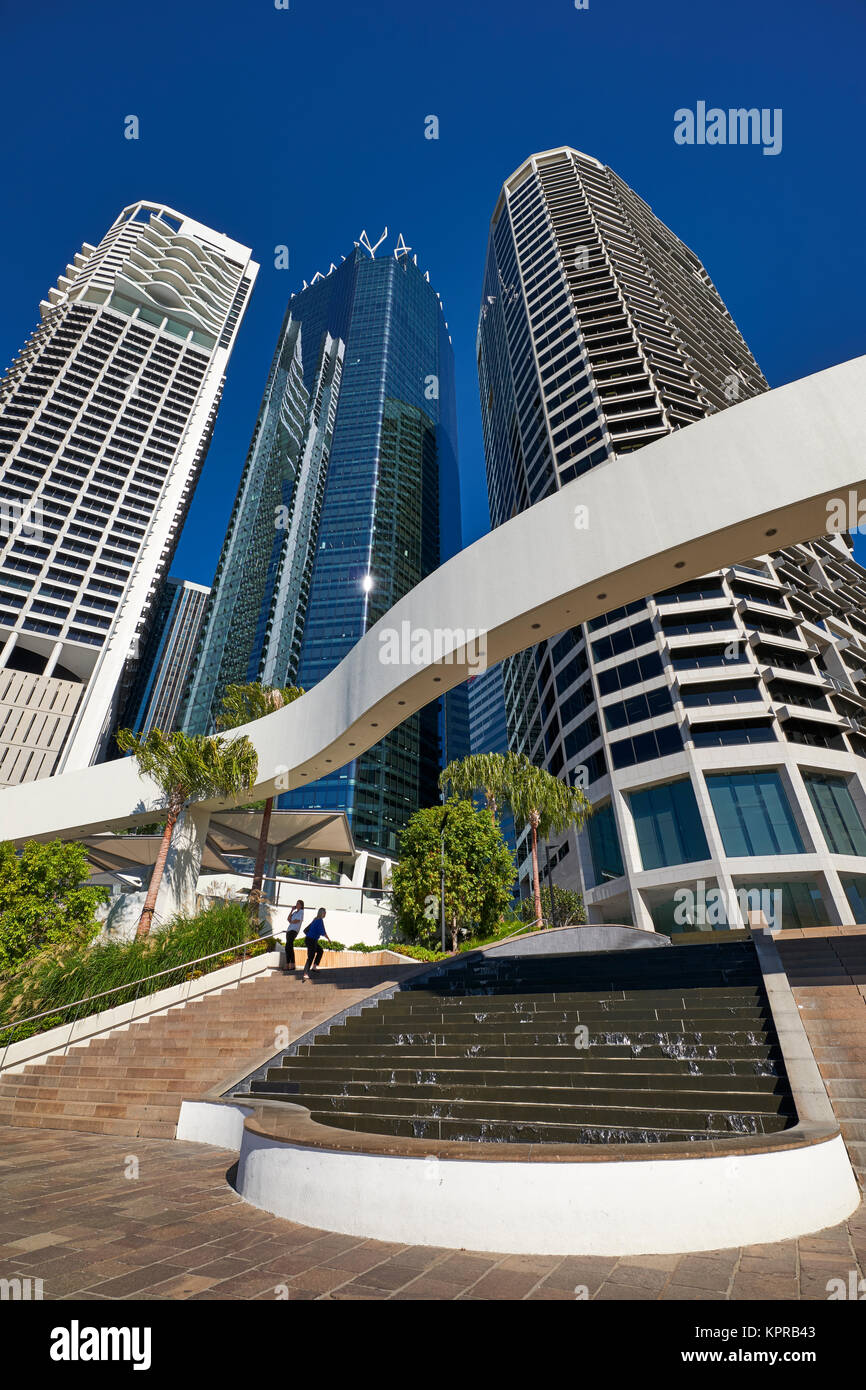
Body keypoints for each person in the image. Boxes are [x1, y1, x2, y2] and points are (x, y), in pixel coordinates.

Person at [302, 907, 330, 980]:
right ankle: (305, 973)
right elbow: (323, 932)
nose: (325, 914)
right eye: (325, 913)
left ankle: (314, 967)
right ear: (322, 913)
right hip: (311, 940)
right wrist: (328, 939)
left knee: (320, 950)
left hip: (309, 939)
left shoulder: (315, 919)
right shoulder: (320, 920)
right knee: (311, 956)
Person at [284, 900, 304, 972]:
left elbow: (297, 920)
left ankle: (291, 965)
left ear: (301, 905)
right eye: (296, 903)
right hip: (289, 930)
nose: (297, 905)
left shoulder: (301, 912)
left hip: (294, 930)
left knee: (289, 946)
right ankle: (288, 964)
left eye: (298, 904)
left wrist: (291, 922)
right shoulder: (295, 912)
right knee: (287, 947)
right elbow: (288, 919)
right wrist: (292, 910)